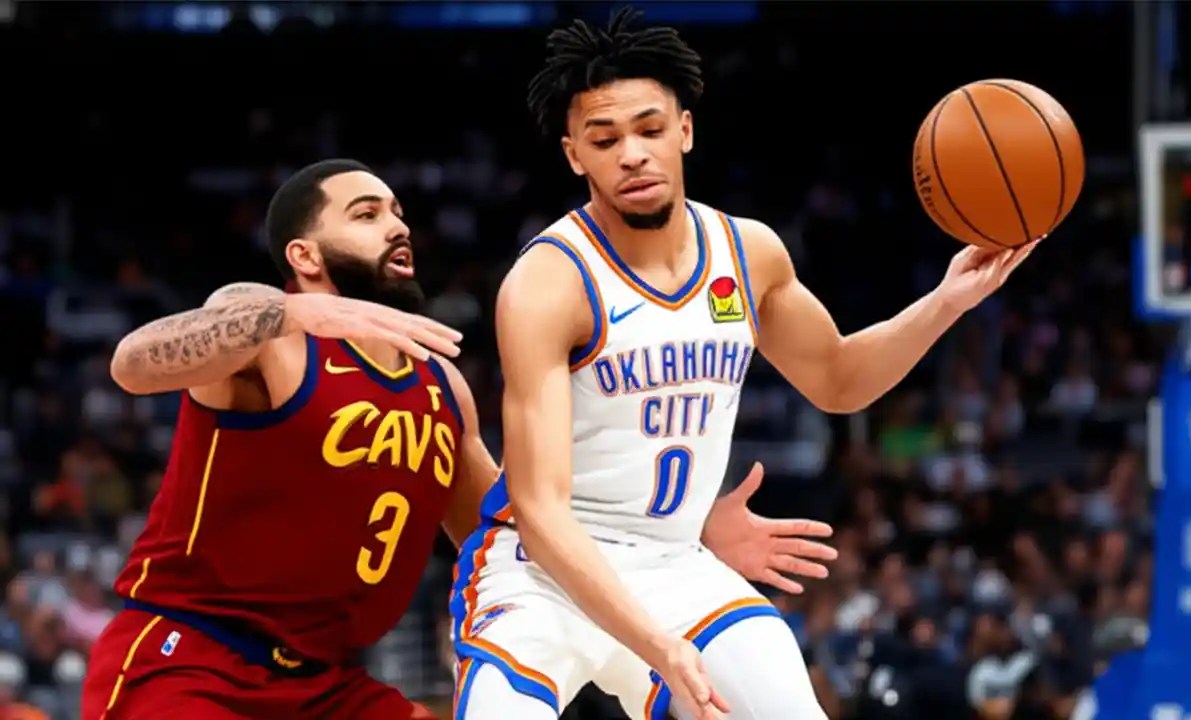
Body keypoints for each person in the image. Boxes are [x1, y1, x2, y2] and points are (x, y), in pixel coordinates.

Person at [81, 160, 838, 720]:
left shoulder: (440, 392)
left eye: (399, 211)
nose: (398, 226)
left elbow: (523, 534)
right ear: (303, 257)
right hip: (188, 662)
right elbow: (134, 363)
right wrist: (299, 315)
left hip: (326, 685)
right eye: (367, 213)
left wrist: (679, 538)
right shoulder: (262, 336)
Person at [451, 8, 1037, 720]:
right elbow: (541, 511)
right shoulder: (548, 284)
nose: (631, 153)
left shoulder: (748, 253)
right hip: (543, 572)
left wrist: (949, 300)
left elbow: (840, 381)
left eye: (650, 129)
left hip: (673, 566)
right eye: (604, 139)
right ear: (575, 154)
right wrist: (655, 645)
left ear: (685, 131)